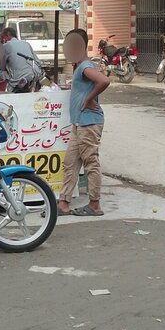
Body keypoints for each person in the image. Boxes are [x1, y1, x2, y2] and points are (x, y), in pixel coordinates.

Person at [58, 28, 109, 218]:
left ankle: (94, 204)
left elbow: (104, 81)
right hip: (79, 124)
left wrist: (89, 99)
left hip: (89, 123)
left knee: (91, 163)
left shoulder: (86, 66)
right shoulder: (80, 66)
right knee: (70, 163)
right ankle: (63, 203)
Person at [0, 27, 43, 93]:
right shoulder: (26, 43)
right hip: (33, 77)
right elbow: (38, 62)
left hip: (18, 80)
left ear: (8, 35)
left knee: (2, 73)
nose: (3, 40)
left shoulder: (6, 45)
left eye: (3, 38)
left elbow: (2, 67)